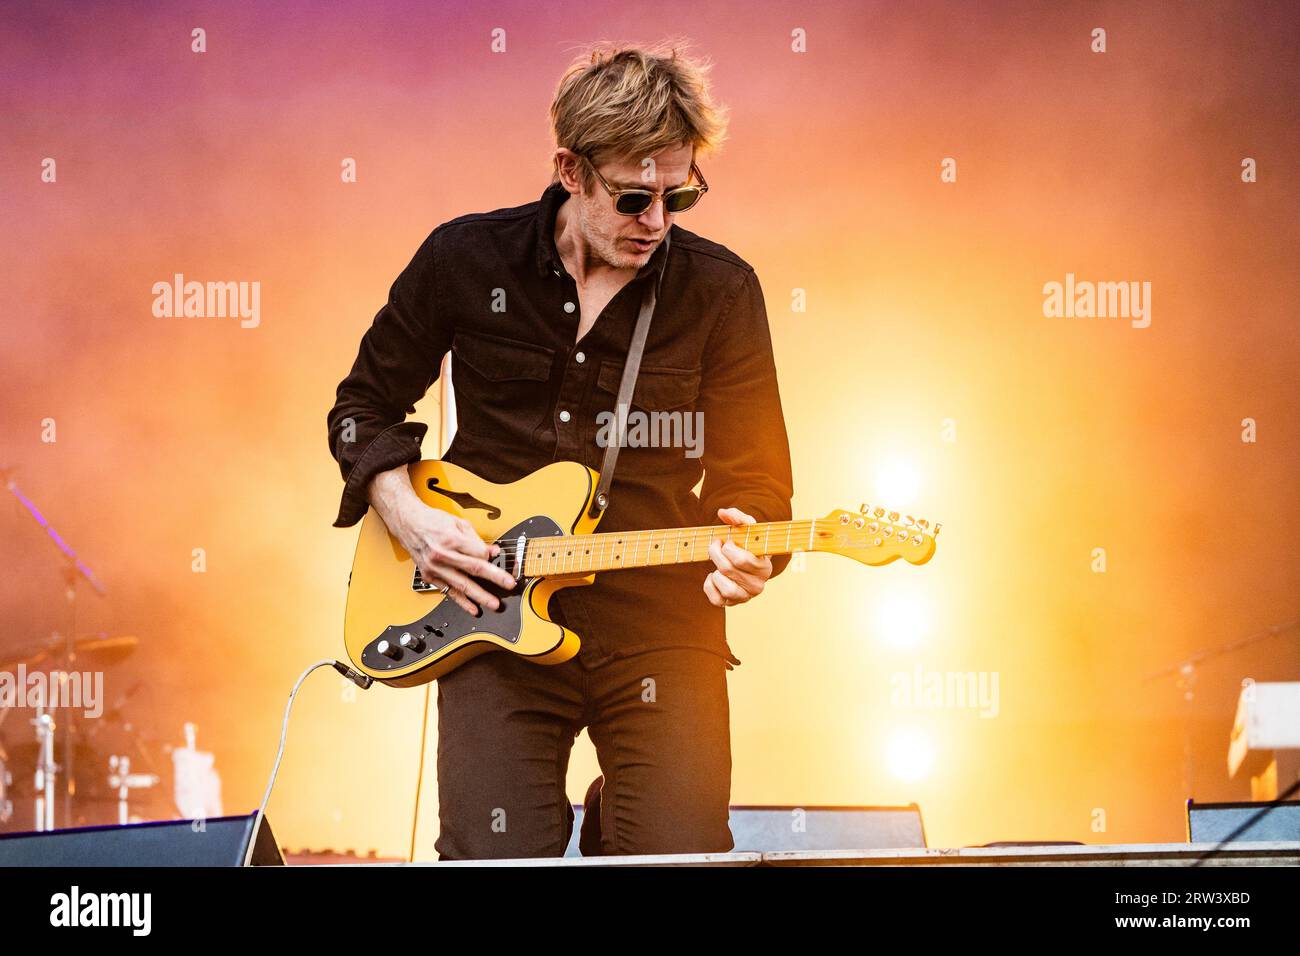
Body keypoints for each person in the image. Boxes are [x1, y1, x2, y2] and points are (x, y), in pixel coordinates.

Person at [327, 42, 793, 859]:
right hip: (489, 615)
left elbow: (758, 476)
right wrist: (412, 522)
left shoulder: (720, 291)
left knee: (678, 856)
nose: (657, 222)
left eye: (678, 194)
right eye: (632, 197)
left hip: (659, 622)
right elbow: (360, 407)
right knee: (492, 857)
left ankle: (622, 822)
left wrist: (750, 547)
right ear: (571, 171)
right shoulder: (466, 260)